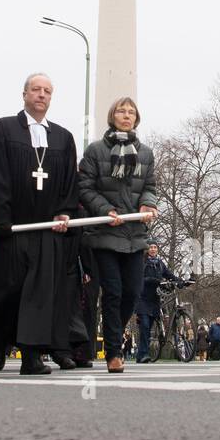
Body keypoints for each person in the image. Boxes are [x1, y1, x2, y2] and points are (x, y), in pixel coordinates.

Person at [0, 73, 79, 376]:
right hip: (11, 228)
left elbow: (70, 182)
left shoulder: (63, 138)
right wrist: (2, 217)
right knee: (4, 291)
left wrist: (65, 212)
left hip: (44, 230)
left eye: (47, 91)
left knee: (38, 296)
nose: (41, 95)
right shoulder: (3, 129)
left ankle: (31, 356)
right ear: (24, 94)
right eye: (36, 90)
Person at [78, 96, 157, 374]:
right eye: (121, 111)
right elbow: (85, 187)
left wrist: (148, 204)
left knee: (132, 292)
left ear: (137, 118)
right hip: (105, 232)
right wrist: (106, 209)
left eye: (131, 111)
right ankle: (114, 352)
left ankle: (115, 335)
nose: (126, 115)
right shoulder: (96, 151)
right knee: (112, 292)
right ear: (112, 116)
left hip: (135, 234)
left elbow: (150, 185)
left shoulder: (145, 153)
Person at [135, 243, 177, 363]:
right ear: (147, 249)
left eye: (155, 247)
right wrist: (150, 280)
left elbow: (169, 274)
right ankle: (144, 354)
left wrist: (181, 281)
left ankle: (140, 355)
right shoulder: (142, 262)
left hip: (154, 299)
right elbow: (137, 277)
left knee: (148, 329)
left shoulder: (160, 263)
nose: (153, 249)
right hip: (142, 298)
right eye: (150, 247)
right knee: (145, 326)